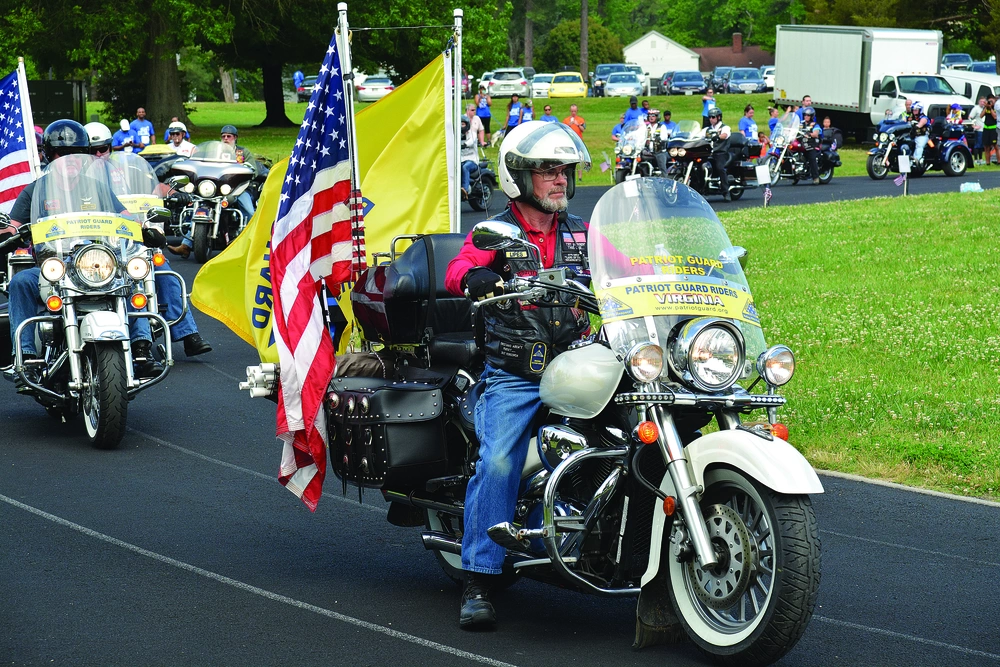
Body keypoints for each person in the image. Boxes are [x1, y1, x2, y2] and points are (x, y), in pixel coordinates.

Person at [443, 121, 591, 629]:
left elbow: (625, 269)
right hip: (515, 372)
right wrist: (480, 276)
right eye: (547, 170)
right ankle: (479, 576)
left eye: (564, 170)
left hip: (580, 365)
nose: (559, 180)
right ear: (519, 177)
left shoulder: (581, 232)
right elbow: (458, 268)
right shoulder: (497, 232)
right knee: (501, 459)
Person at [3, 120, 164, 380]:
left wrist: (144, 227)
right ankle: (26, 357)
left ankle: (141, 349)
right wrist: (9, 234)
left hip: (97, 264)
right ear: (49, 155)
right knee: (21, 282)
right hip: (54, 267)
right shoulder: (35, 190)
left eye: (77, 154)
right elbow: (13, 226)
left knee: (130, 279)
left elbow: (124, 216)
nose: (70, 160)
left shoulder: (97, 187)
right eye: (62, 154)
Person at [168, 125, 256, 258]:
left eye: (229, 136)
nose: (226, 139)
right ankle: (186, 245)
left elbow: (253, 170)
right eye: (223, 136)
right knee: (200, 206)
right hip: (215, 189)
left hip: (237, 189)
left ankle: (251, 244)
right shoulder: (215, 151)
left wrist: (247, 169)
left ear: (235, 138)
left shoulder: (243, 152)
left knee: (249, 211)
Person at [702, 108, 732, 200]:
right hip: (708, 153)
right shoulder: (707, 129)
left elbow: (725, 135)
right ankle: (701, 189)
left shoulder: (725, 127)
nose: (711, 119)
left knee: (720, 168)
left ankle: (726, 192)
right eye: (709, 117)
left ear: (719, 117)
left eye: (713, 117)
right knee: (699, 166)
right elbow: (698, 135)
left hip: (721, 152)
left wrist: (718, 136)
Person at [461, 104, 485, 198]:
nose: (462, 126)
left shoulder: (472, 133)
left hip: (472, 160)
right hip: (460, 160)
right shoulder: (457, 135)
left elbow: (472, 141)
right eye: (461, 124)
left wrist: (464, 144)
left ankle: (465, 190)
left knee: (465, 167)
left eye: (464, 124)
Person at [800, 107, 822, 183]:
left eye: (808, 115)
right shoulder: (800, 124)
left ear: (812, 116)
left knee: (812, 158)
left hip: (811, 145)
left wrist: (809, 134)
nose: (806, 116)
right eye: (805, 115)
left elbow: (816, 133)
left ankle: (816, 177)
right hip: (801, 144)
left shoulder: (815, 125)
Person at [969, 97, 986, 165]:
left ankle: (981, 159)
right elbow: (970, 117)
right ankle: (975, 159)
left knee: (981, 144)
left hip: (984, 129)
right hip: (978, 129)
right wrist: (974, 126)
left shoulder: (984, 109)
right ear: (979, 102)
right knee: (977, 144)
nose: (982, 103)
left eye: (984, 102)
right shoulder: (976, 109)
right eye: (981, 101)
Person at [983, 97, 998, 165]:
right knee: (986, 146)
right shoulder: (986, 109)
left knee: (996, 146)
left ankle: (998, 161)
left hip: (993, 129)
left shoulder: (995, 109)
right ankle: (987, 162)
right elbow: (981, 115)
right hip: (986, 129)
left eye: (991, 101)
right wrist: (986, 107)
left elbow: (995, 117)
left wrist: (991, 108)